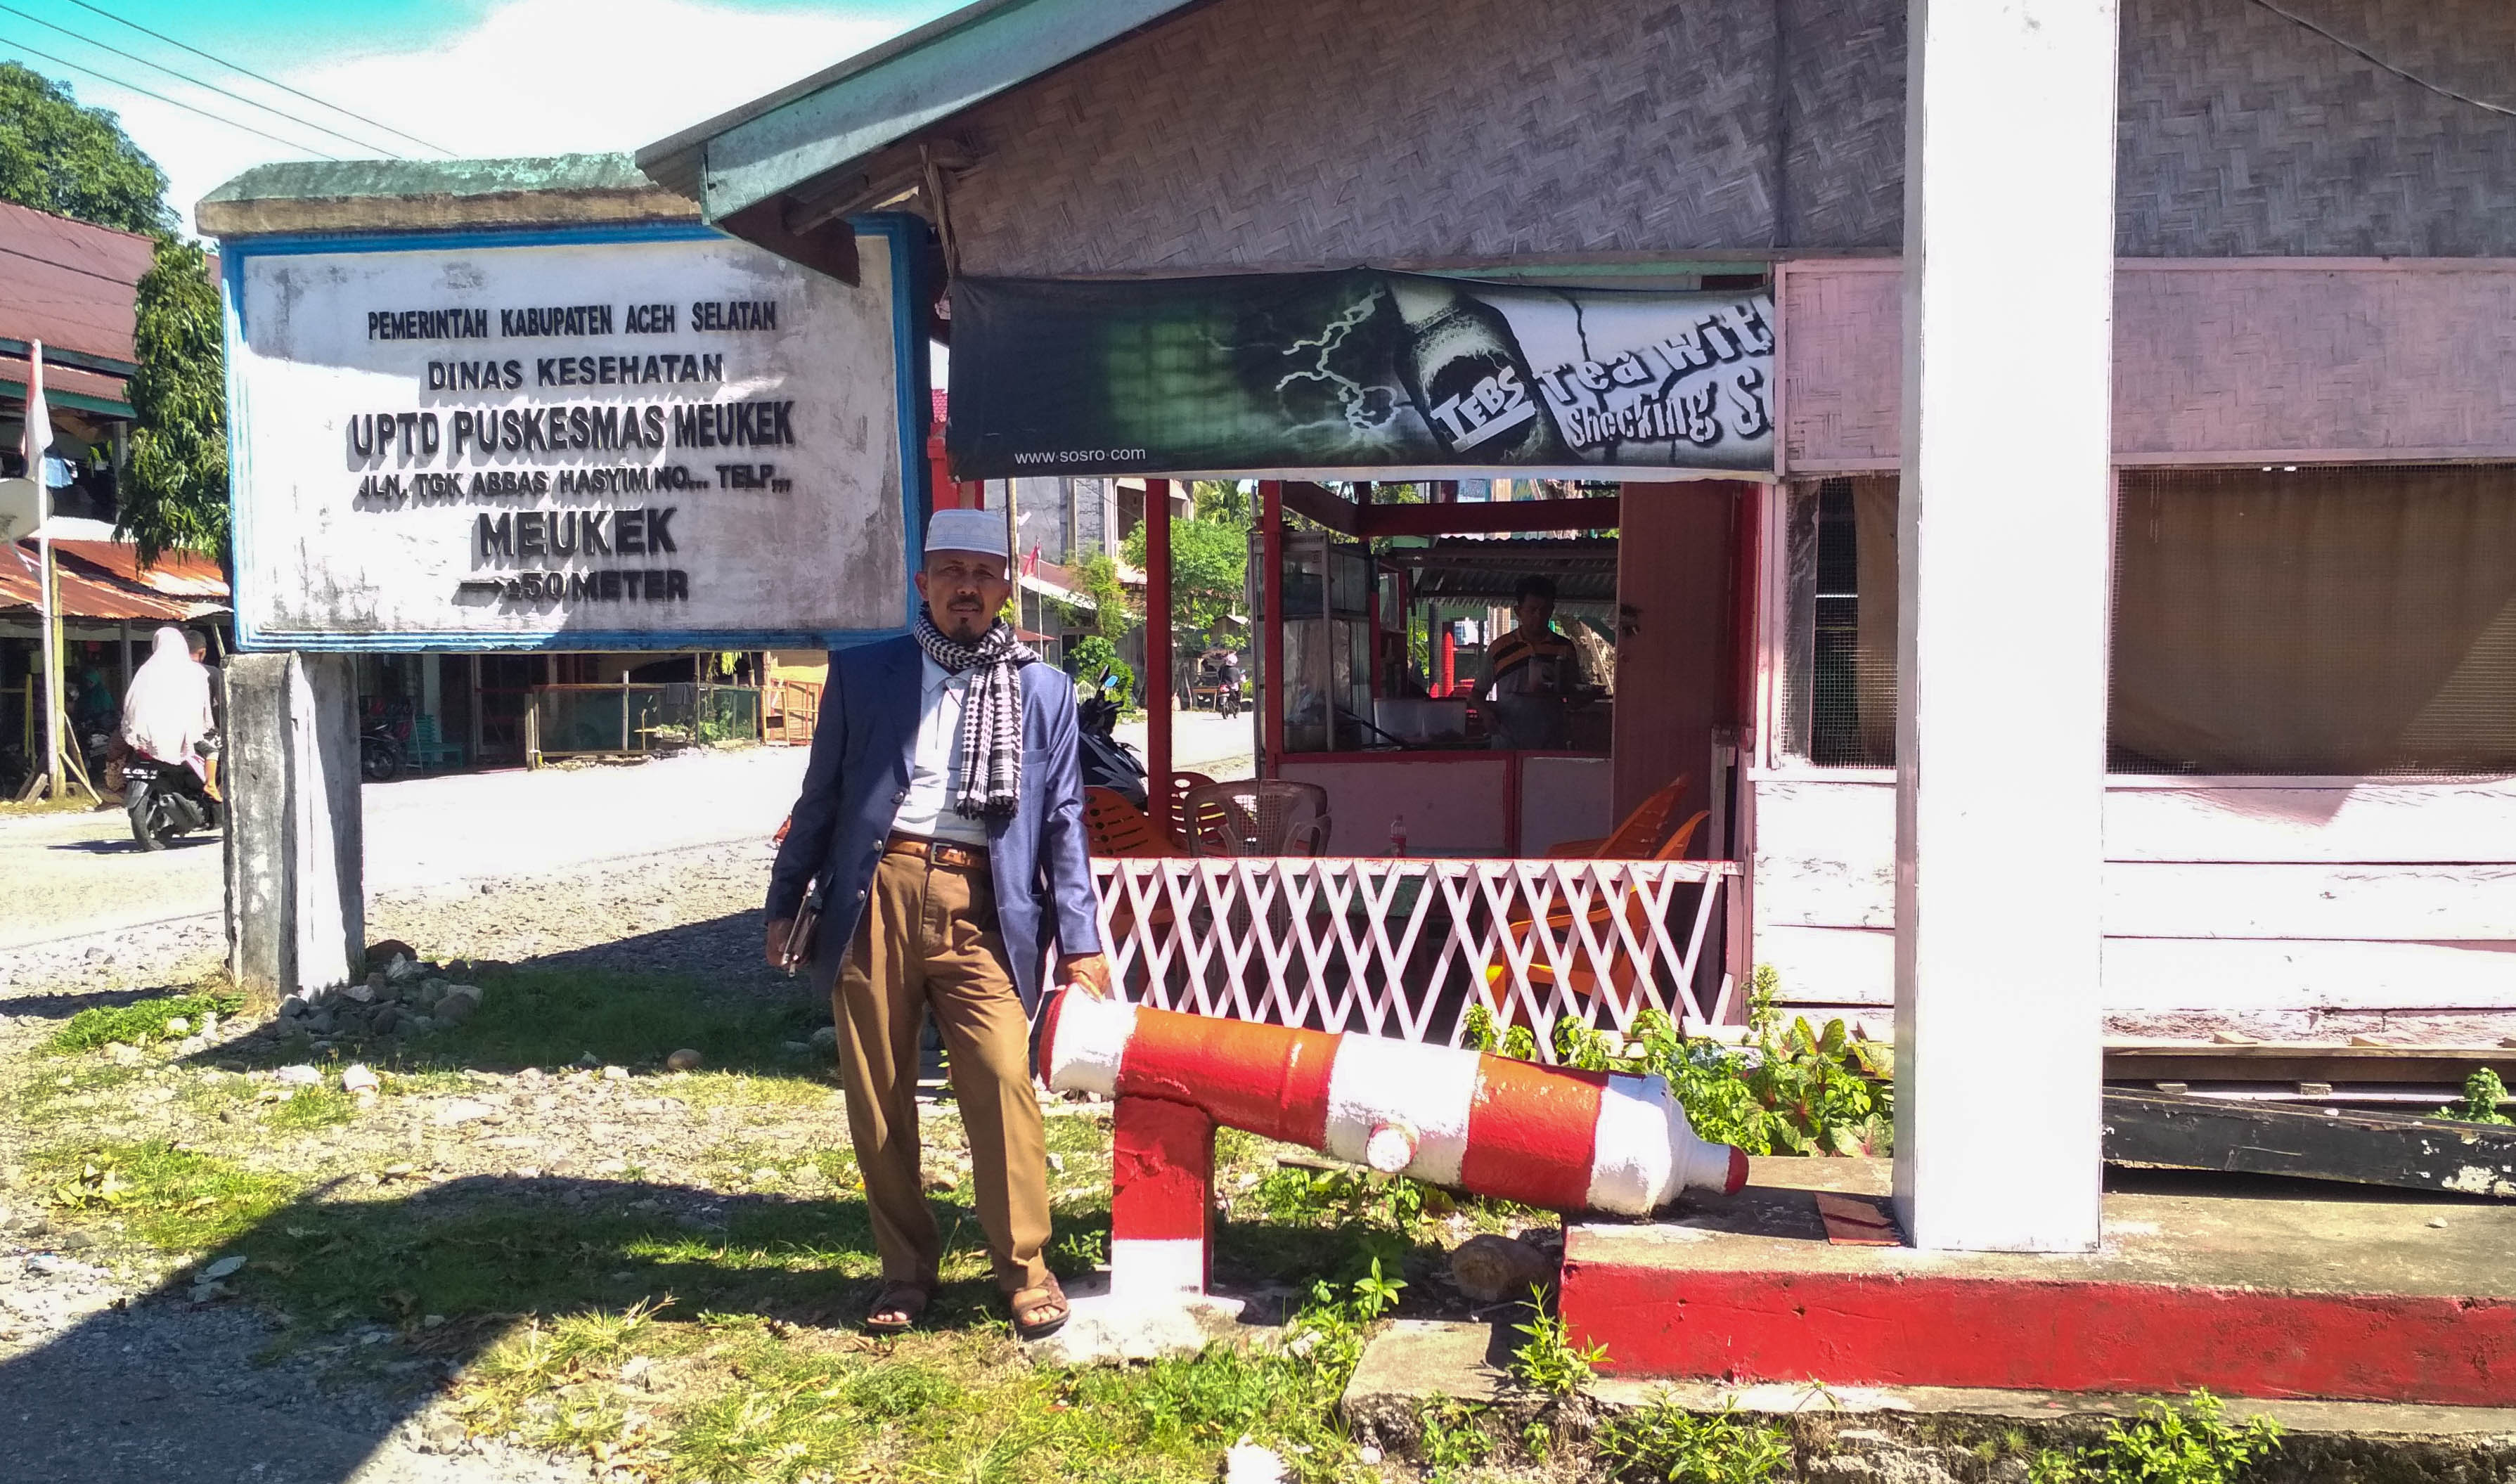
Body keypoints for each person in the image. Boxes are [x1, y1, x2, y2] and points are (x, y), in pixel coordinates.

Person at [765, 508, 1109, 1340]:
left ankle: (1025, 1267)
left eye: (983, 573)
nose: (966, 586)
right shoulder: (865, 674)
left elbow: (1063, 819)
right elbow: (822, 798)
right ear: (922, 583)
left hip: (980, 902)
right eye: (950, 570)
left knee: (1000, 1076)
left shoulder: (1044, 690)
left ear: (1004, 588)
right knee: (878, 1095)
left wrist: (1084, 939)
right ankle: (906, 1270)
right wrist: (785, 899)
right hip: (875, 892)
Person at [1473, 574, 1589, 749]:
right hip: (1507, 745)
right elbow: (1476, 695)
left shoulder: (1564, 648)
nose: (1538, 616)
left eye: (1544, 610)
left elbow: (1573, 698)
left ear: (1552, 610)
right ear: (1518, 612)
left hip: (1551, 746)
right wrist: (1486, 714)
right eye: (1532, 610)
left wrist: (1588, 696)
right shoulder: (1499, 649)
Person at [120, 625, 216, 780]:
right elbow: (203, 709)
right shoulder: (195, 671)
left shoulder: (146, 670)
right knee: (214, 750)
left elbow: (130, 704)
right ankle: (211, 785)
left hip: (143, 739)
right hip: (184, 737)